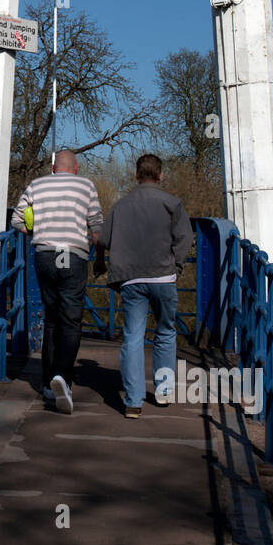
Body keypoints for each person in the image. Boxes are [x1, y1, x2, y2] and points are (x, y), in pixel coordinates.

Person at [95, 153, 194, 419]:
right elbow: (185, 238)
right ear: (161, 175)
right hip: (163, 276)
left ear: (136, 175)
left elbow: (103, 239)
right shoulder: (172, 203)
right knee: (165, 332)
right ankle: (163, 391)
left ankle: (133, 402)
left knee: (133, 337)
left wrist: (102, 262)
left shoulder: (120, 206)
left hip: (131, 279)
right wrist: (177, 266)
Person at [12, 150, 104, 413]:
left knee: (51, 319)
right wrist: (101, 257)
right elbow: (97, 226)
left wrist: (35, 232)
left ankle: (46, 384)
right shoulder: (86, 185)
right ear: (75, 168)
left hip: (46, 255)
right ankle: (62, 376)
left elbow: (16, 219)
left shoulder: (36, 185)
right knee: (71, 319)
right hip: (72, 254)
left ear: (53, 168)